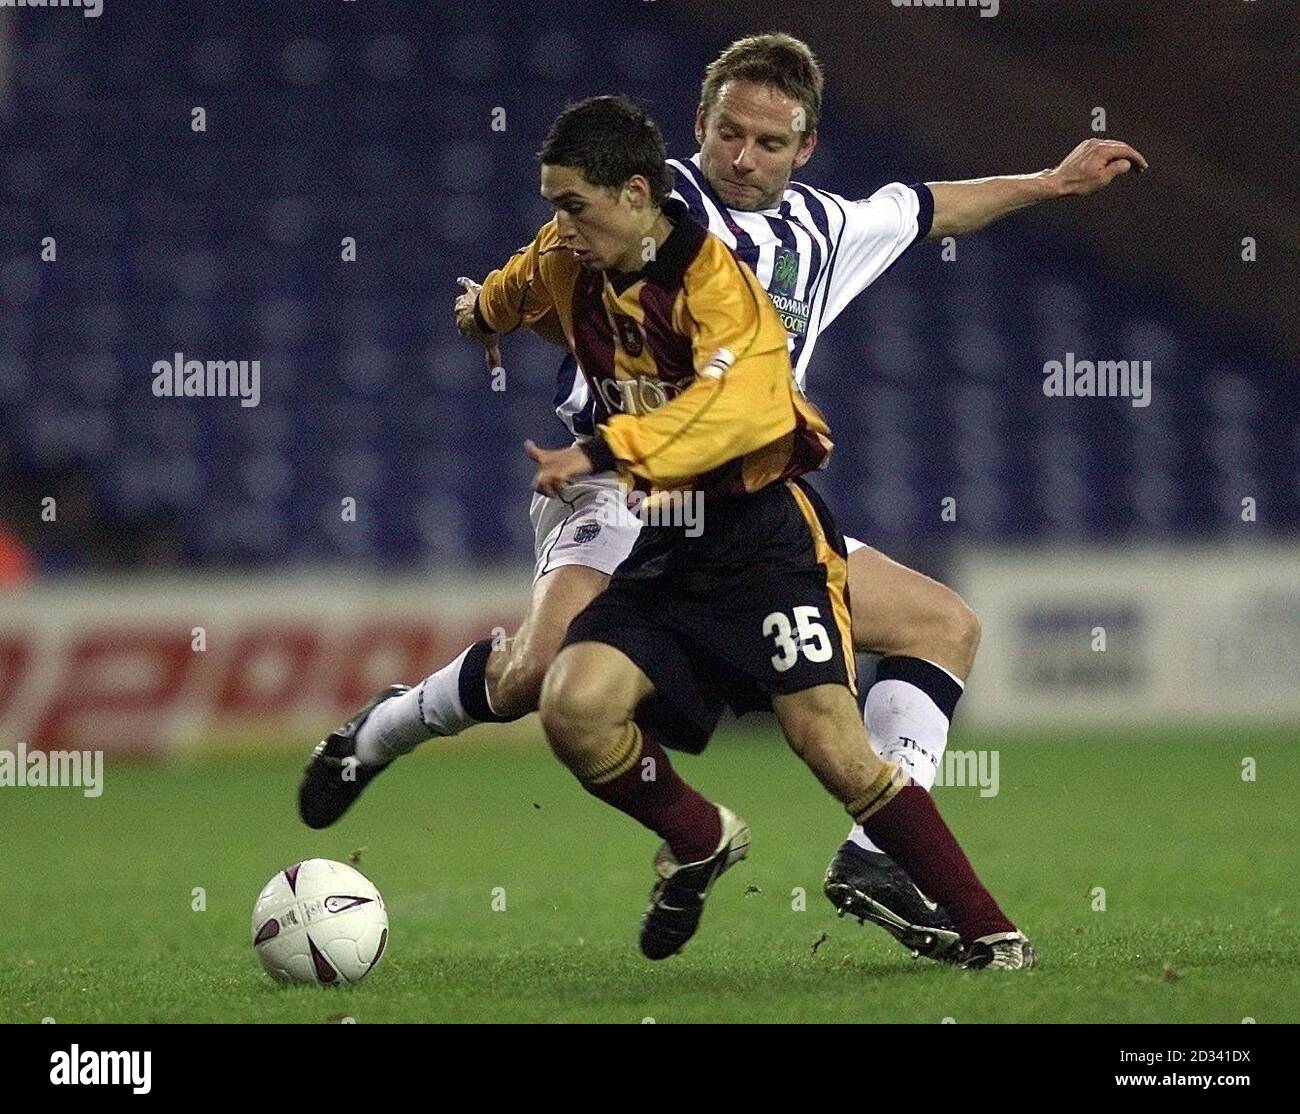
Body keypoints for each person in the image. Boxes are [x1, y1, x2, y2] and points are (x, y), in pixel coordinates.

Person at [301, 33, 1143, 963]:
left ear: (805, 148)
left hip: (739, 500)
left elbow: (930, 208)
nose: (743, 158)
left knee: (943, 626)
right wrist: (485, 319)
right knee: (534, 679)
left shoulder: (828, 228)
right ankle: (377, 731)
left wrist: (1054, 184)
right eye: (727, 134)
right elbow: (543, 266)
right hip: (616, 495)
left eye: (769, 143)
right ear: (697, 126)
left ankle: (874, 856)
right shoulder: (644, 203)